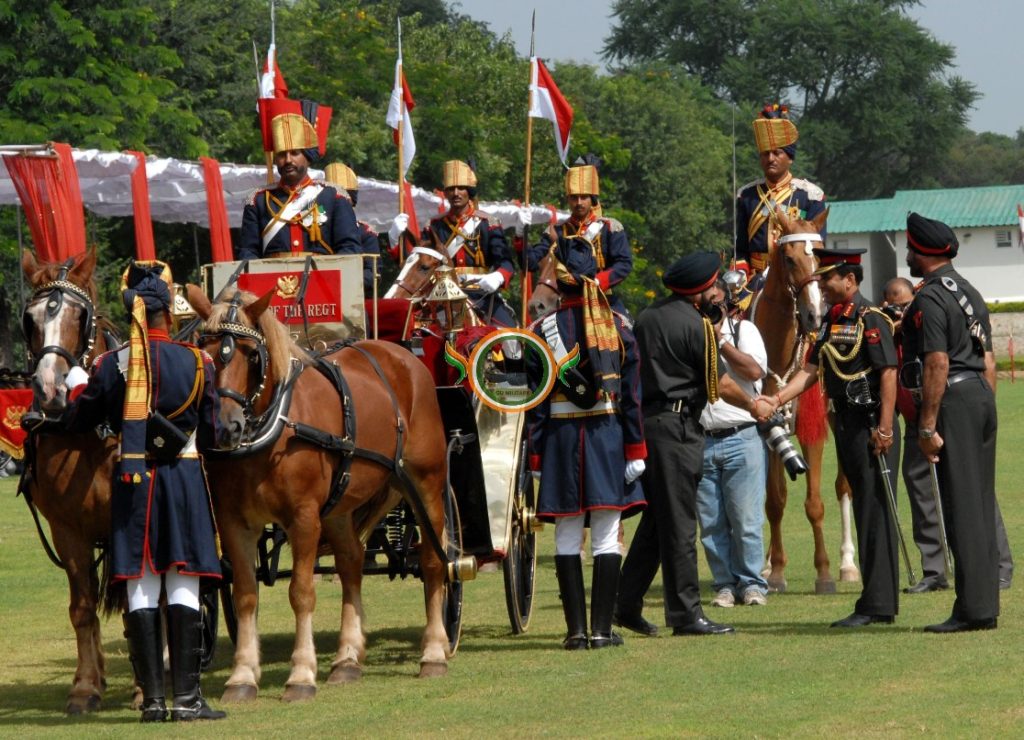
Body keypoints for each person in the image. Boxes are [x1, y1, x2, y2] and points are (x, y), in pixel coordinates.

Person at [62, 261, 225, 721]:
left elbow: (81, 419)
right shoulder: (199, 362)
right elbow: (212, 433)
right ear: (168, 315)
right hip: (184, 481)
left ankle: (152, 701)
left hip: (134, 485)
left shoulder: (111, 365)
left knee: (141, 586)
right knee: (184, 584)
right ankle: (187, 700)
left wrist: (77, 386)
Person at [614, 251, 767, 638]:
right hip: (678, 430)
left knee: (657, 522)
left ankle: (624, 604)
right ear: (700, 289)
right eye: (714, 287)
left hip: (650, 425)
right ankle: (685, 614)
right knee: (681, 525)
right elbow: (721, 384)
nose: (718, 293)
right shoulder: (697, 326)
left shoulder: (648, 317)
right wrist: (754, 405)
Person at [757, 248, 900, 628]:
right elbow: (810, 370)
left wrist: (886, 428)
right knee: (865, 509)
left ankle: (879, 603)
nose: (820, 283)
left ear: (850, 280)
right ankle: (874, 601)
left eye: (828, 277)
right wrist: (777, 399)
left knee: (874, 511)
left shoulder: (871, 318)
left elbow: (888, 372)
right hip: (847, 424)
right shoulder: (831, 321)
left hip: (872, 425)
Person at [526, 235, 646, 650]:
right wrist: (636, 449)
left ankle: (576, 632)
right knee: (607, 534)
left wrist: (536, 454)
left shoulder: (540, 331)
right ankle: (601, 631)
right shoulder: (618, 327)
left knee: (566, 534)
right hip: (607, 438)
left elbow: (535, 403)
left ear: (559, 281)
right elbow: (632, 398)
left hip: (559, 440)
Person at [900, 212, 999, 632]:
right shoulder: (968, 291)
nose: (907, 255)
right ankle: (983, 603)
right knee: (978, 502)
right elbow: (987, 357)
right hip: (979, 394)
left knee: (961, 506)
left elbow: (937, 362)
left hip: (954, 399)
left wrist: (926, 426)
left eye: (910, 249)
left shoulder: (930, 297)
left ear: (921, 252)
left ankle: (973, 610)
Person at [883, 276, 1014, 595]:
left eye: (904, 305)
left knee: (974, 490)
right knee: (921, 495)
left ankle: (998, 565)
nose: (900, 312)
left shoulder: (931, 319)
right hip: (914, 423)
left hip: (949, 416)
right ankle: (934, 570)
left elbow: (960, 362)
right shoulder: (890, 333)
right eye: (892, 307)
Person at [696, 273, 770, 608]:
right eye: (705, 303)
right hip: (702, 438)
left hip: (741, 435)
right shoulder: (691, 333)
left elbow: (754, 372)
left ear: (726, 303)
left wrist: (720, 341)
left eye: (716, 302)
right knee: (711, 523)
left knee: (746, 520)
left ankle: (752, 583)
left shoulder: (744, 331)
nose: (712, 308)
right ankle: (724, 584)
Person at [391, 159, 517, 327]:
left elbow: (506, 262)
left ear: (469, 191)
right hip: (441, 295)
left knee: (510, 335)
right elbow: (416, 263)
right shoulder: (434, 225)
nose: (456, 193)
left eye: (461, 188)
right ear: (446, 193)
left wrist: (497, 276)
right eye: (451, 189)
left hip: (480, 294)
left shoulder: (488, 223)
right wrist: (395, 239)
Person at [237, 112, 362, 261]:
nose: (288, 160)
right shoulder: (258, 200)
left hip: (322, 275)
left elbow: (349, 249)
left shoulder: (334, 197)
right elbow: (248, 252)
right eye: (282, 155)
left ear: (307, 157)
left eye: (295, 153)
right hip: (273, 275)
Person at [528, 158, 633, 317]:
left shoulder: (609, 228)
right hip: (562, 302)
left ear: (592, 199)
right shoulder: (556, 231)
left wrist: (598, 281)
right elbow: (530, 262)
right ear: (568, 199)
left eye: (584, 197)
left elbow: (624, 264)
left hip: (601, 299)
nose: (579, 202)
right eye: (574, 197)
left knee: (626, 331)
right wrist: (520, 236)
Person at [735, 104, 826, 281]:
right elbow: (741, 247)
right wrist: (741, 273)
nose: (770, 159)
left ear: (790, 158)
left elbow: (817, 247)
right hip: (755, 278)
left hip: (797, 277)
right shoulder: (747, 195)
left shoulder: (810, 196)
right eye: (765, 153)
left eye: (777, 153)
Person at [324, 162, 381, 296]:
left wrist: (336, 279)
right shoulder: (318, 230)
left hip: (351, 296)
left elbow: (372, 276)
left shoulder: (365, 234)